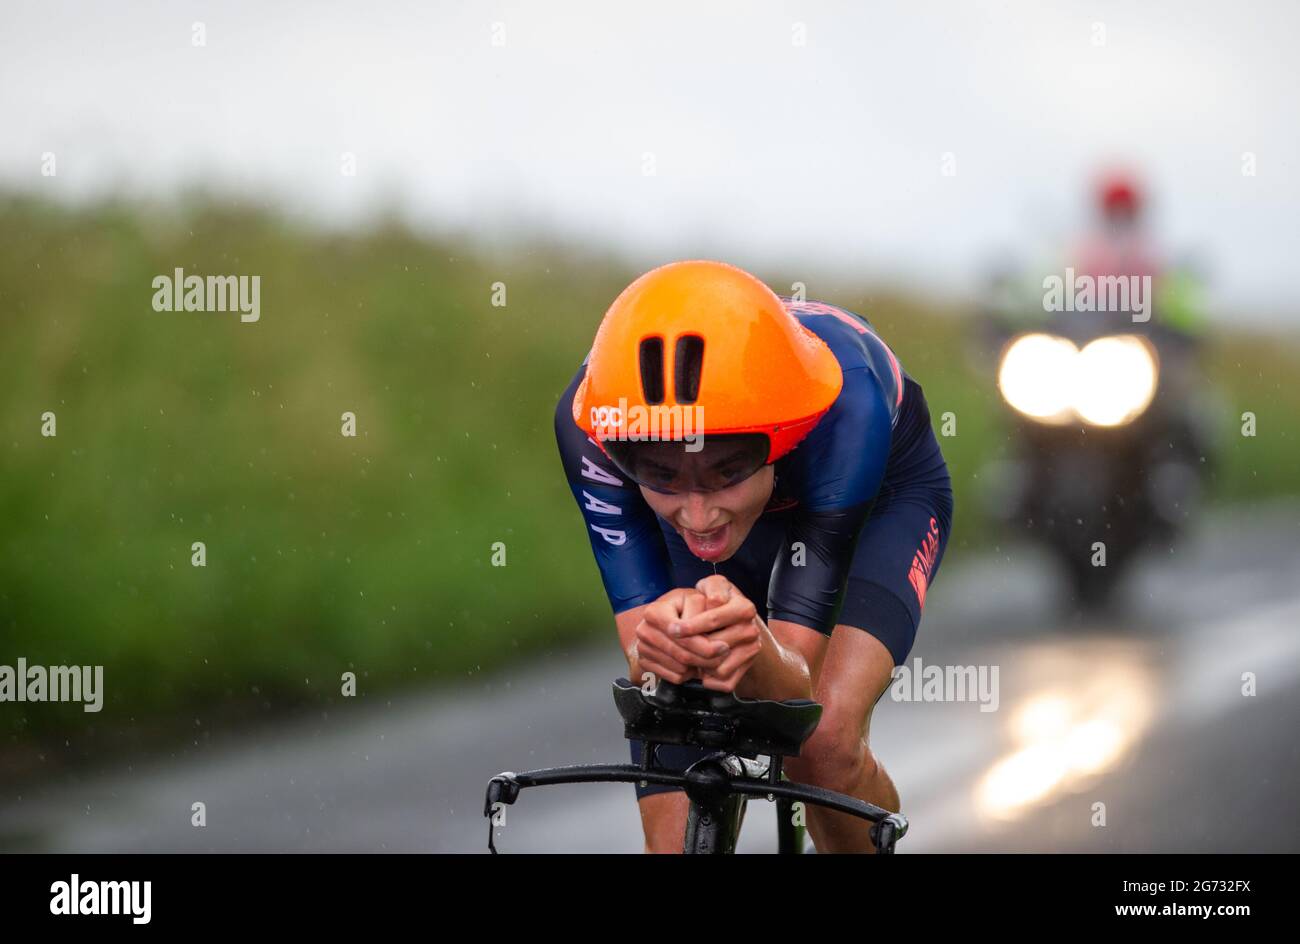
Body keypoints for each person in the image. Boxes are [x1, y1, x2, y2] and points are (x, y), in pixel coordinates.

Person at [554, 260, 954, 853]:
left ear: (780, 439)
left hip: (882, 498)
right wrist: (662, 649)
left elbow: (793, 684)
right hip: (779, 475)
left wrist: (755, 645)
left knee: (822, 743)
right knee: (675, 731)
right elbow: (644, 663)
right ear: (621, 452)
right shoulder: (591, 424)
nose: (698, 515)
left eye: (728, 469)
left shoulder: (848, 410)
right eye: (659, 475)